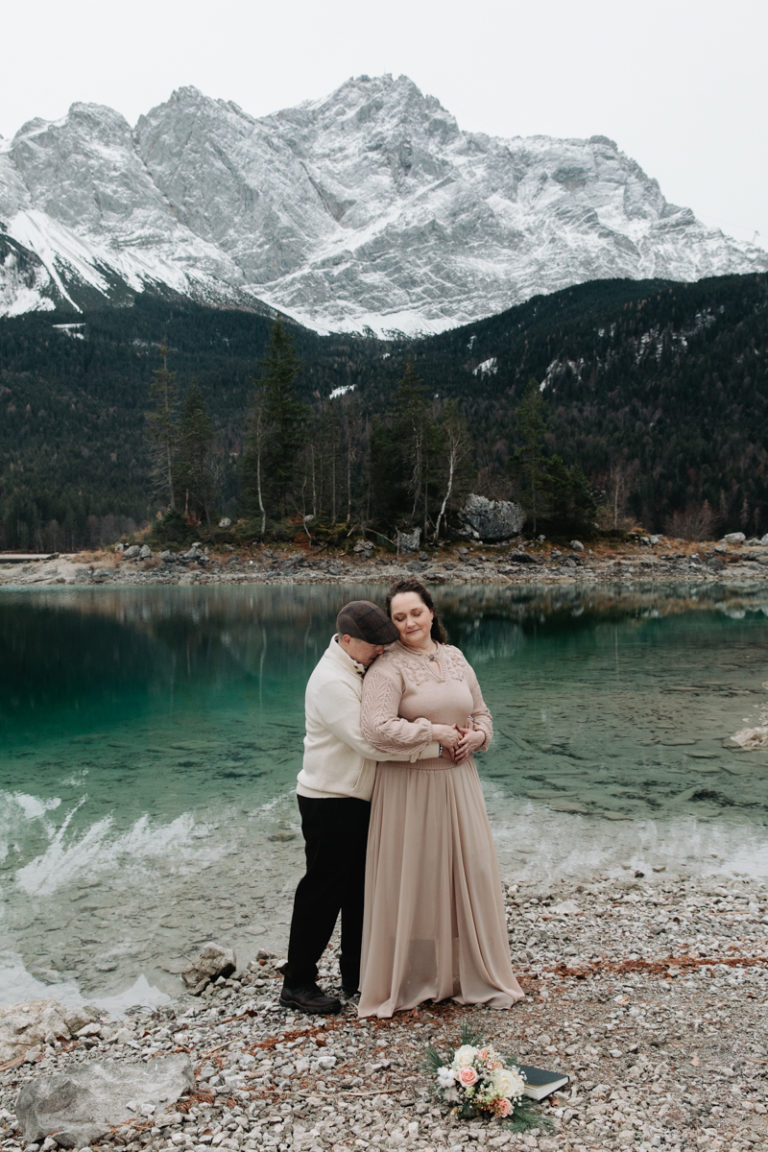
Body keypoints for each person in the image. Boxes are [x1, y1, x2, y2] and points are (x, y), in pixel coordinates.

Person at [358, 578, 524, 1018]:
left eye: (415, 613)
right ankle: (414, 976)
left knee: (468, 870)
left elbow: (483, 712)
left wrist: (479, 738)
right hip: (410, 787)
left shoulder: (455, 657)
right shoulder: (387, 666)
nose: (409, 622)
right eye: (399, 617)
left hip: (460, 782)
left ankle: (465, 972)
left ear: (431, 612)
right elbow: (376, 727)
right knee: (416, 876)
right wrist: (433, 732)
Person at [280, 599, 446, 1015]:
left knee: (361, 891)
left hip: (356, 798)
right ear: (348, 640)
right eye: (375, 645)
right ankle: (297, 983)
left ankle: (356, 975)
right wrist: (432, 746)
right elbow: (369, 743)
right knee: (322, 892)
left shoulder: (357, 664)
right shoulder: (331, 682)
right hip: (330, 800)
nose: (381, 651)